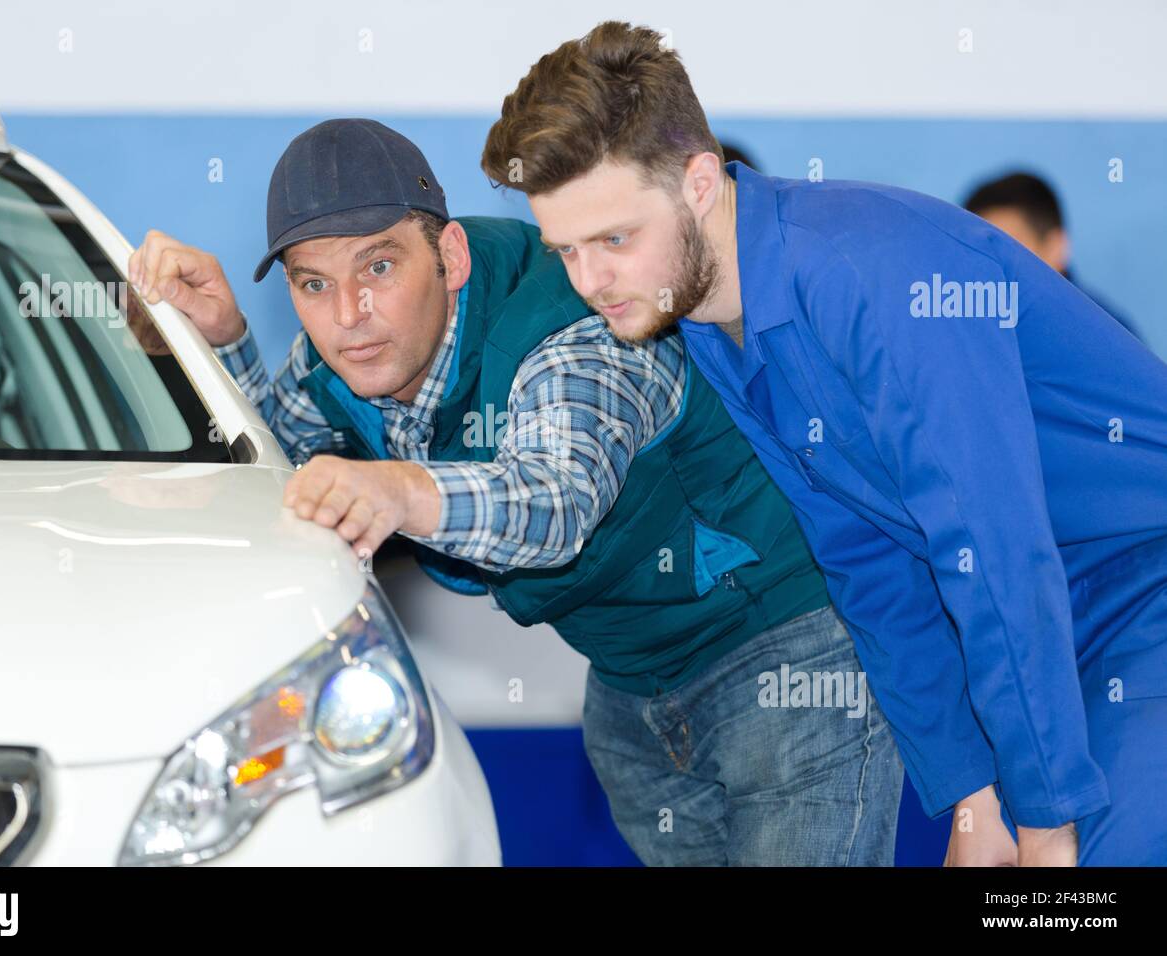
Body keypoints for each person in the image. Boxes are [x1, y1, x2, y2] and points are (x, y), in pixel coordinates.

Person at [127, 118, 904, 866]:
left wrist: (399, 490)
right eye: (313, 282)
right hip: (630, 693)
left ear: (452, 256)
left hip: (789, 658)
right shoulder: (339, 355)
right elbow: (270, 484)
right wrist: (217, 345)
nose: (348, 314)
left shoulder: (576, 323)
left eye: (380, 267)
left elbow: (555, 500)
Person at [483, 20, 1167, 865]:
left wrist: (1044, 818)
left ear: (700, 182)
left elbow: (992, 551)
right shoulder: (703, 319)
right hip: (1044, 620)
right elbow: (868, 564)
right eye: (566, 252)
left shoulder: (872, 277)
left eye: (614, 239)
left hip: (1142, 587)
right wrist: (970, 797)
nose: (590, 284)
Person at [964, 171, 1142, 340]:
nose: (992, 264)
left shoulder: (1110, 338)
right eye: (979, 250)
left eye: (1009, 250)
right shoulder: (968, 319)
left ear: (1055, 248)